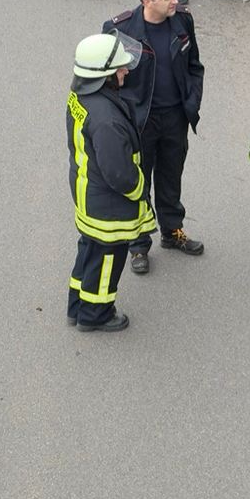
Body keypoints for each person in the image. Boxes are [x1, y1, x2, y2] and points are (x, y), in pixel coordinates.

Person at [105, 0, 206, 274]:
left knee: (171, 175)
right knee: (140, 183)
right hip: (141, 122)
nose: (175, 0)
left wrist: (192, 100)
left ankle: (172, 231)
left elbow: (194, 66)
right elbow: (109, 80)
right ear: (148, 1)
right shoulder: (120, 29)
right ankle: (138, 244)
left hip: (175, 117)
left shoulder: (182, 20)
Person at [65, 29, 155, 333]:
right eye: (119, 67)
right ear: (103, 74)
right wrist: (140, 189)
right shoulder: (107, 119)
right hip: (108, 206)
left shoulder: (81, 96)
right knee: (106, 260)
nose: (125, 70)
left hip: (88, 192)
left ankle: (77, 304)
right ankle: (95, 315)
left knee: (88, 249)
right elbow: (118, 172)